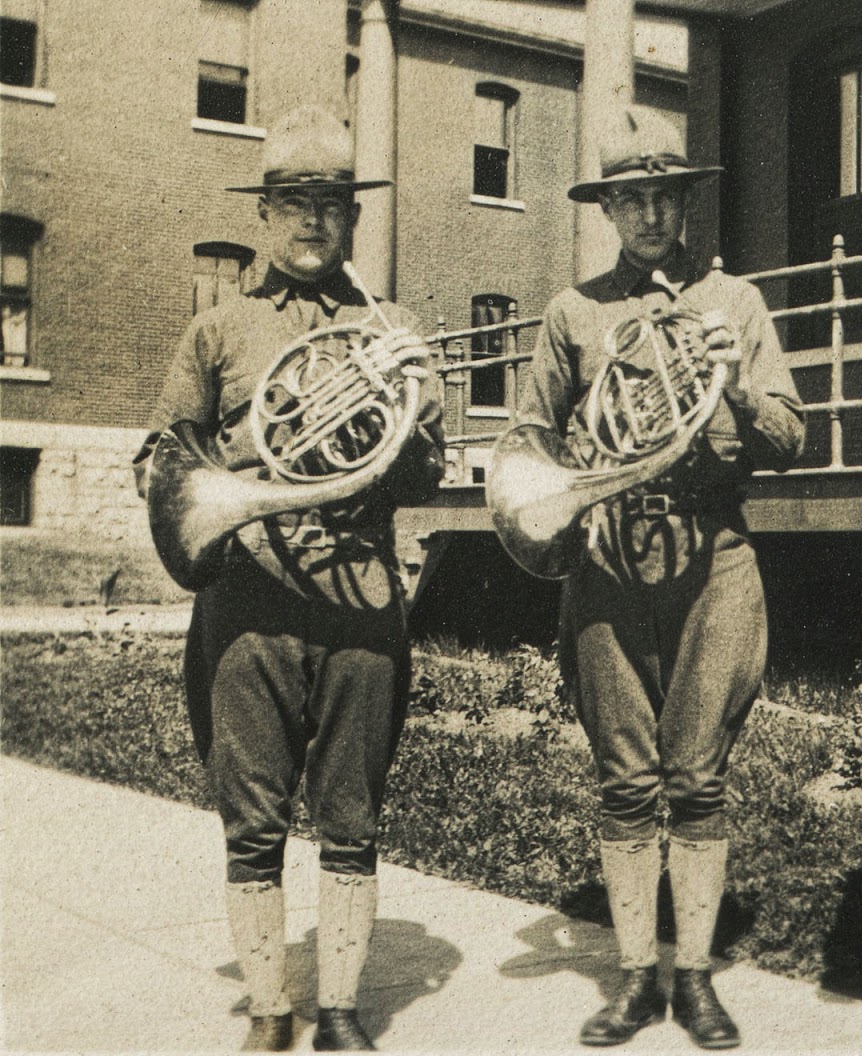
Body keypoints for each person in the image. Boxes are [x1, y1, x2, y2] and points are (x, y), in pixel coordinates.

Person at [134, 106, 443, 1052]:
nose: (313, 221)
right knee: (254, 819)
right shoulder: (219, 331)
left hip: (361, 601)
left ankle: (342, 1008)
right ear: (265, 214)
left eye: (331, 204)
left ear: (351, 217)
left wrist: (398, 431)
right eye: (293, 203)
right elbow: (163, 455)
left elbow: (426, 468)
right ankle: (271, 1009)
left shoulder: (390, 327)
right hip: (253, 603)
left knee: (352, 815)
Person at [514, 105, 804, 1050]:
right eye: (629, 199)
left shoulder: (741, 305)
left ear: (685, 204)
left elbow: (790, 438)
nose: (647, 215)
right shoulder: (574, 312)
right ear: (609, 210)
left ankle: (697, 975)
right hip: (607, 560)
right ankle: (637, 977)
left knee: (700, 779)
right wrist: (568, 501)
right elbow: (529, 444)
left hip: (712, 558)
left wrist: (730, 388)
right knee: (625, 781)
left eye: (662, 198)